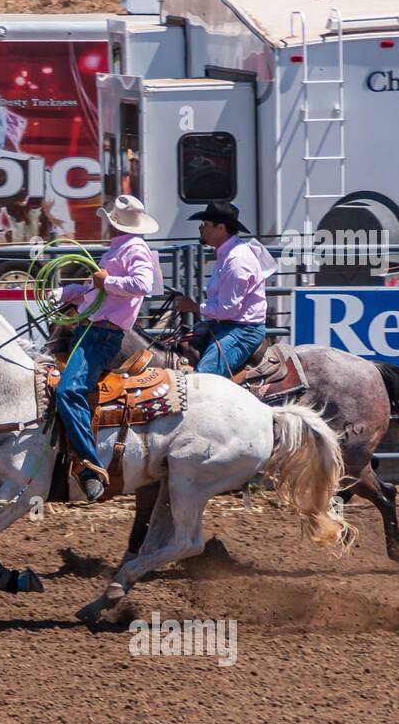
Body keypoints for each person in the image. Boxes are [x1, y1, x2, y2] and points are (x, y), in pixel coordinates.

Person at [52, 195, 159, 502]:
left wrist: (107, 281)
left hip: (101, 334)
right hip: (90, 329)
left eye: (110, 219)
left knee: (69, 391)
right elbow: (92, 289)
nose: (106, 224)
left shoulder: (135, 248)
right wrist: (61, 293)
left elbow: (142, 284)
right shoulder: (118, 248)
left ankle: (90, 467)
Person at [175, 201, 268, 378]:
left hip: (242, 330)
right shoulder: (227, 255)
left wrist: (194, 307)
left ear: (221, 228)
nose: (200, 228)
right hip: (225, 325)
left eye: (205, 224)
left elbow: (227, 310)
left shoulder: (237, 261)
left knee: (204, 378)